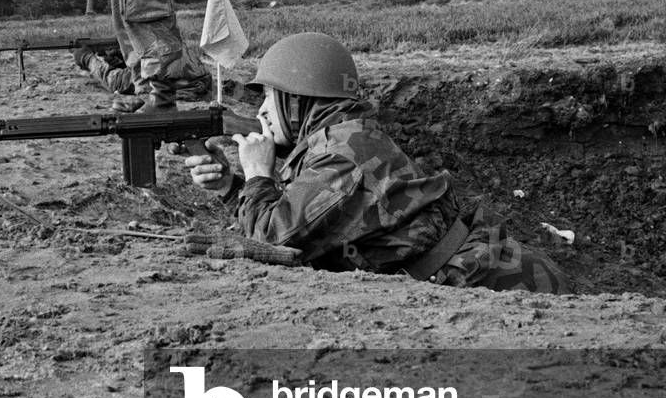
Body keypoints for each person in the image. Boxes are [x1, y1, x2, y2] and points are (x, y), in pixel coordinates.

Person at [185, 32, 572, 294]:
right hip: (484, 275)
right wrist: (231, 187)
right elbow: (298, 224)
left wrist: (257, 173)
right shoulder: (341, 140)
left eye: (270, 97)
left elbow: (271, 239)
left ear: (298, 100)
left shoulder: (343, 156)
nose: (262, 112)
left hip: (506, 287)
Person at [73, 41, 211, 111]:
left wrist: (86, 58)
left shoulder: (144, 57)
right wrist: (123, 61)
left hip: (178, 92)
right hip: (202, 81)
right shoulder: (167, 35)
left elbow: (115, 81)